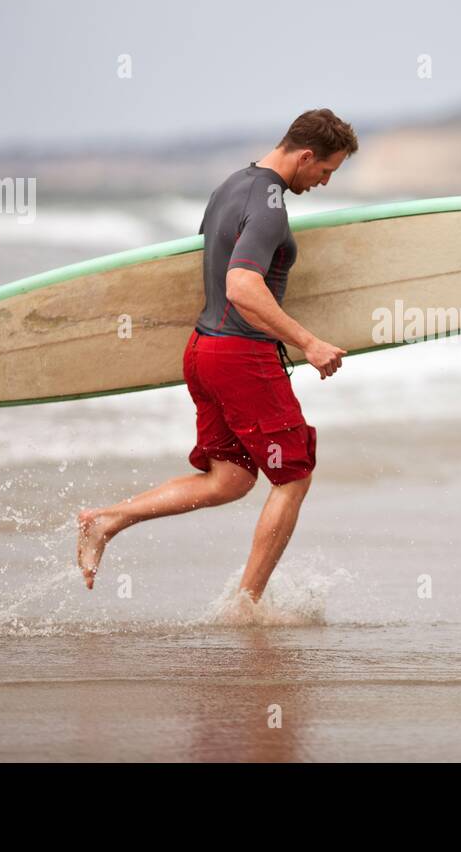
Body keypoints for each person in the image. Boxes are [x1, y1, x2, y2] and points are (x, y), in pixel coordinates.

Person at [76, 108, 358, 602]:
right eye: (326, 171)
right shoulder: (270, 206)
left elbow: (207, 261)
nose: (324, 182)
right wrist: (308, 342)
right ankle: (246, 605)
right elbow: (242, 284)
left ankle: (108, 519)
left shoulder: (231, 185)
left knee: (228, 479)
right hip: (241, 357)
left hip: (204, 351)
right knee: (294, 476)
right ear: (307, 155)